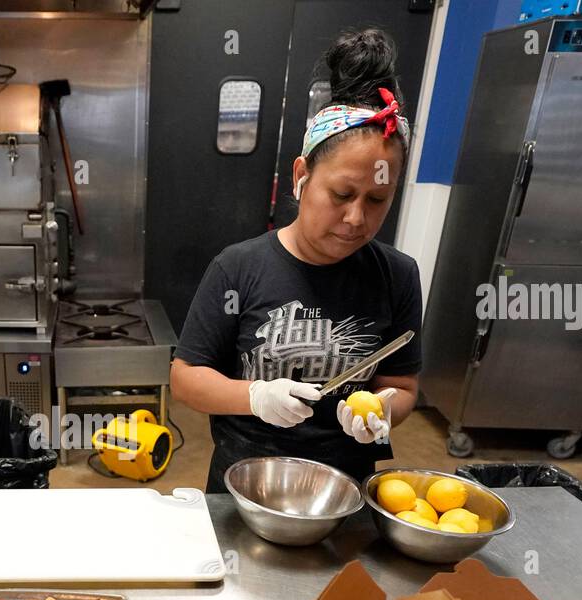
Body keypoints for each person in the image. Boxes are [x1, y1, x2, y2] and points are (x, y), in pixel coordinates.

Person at [171, 27, 423, 494]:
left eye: (377, 199)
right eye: (342, 194)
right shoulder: (239, 268)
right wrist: (255, 395)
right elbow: (186, 380)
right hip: (243, 482)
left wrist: (384, 408)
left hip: (345, 489)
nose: (355, 218)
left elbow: (403, 386)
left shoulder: (398, 276)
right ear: (302, 176)